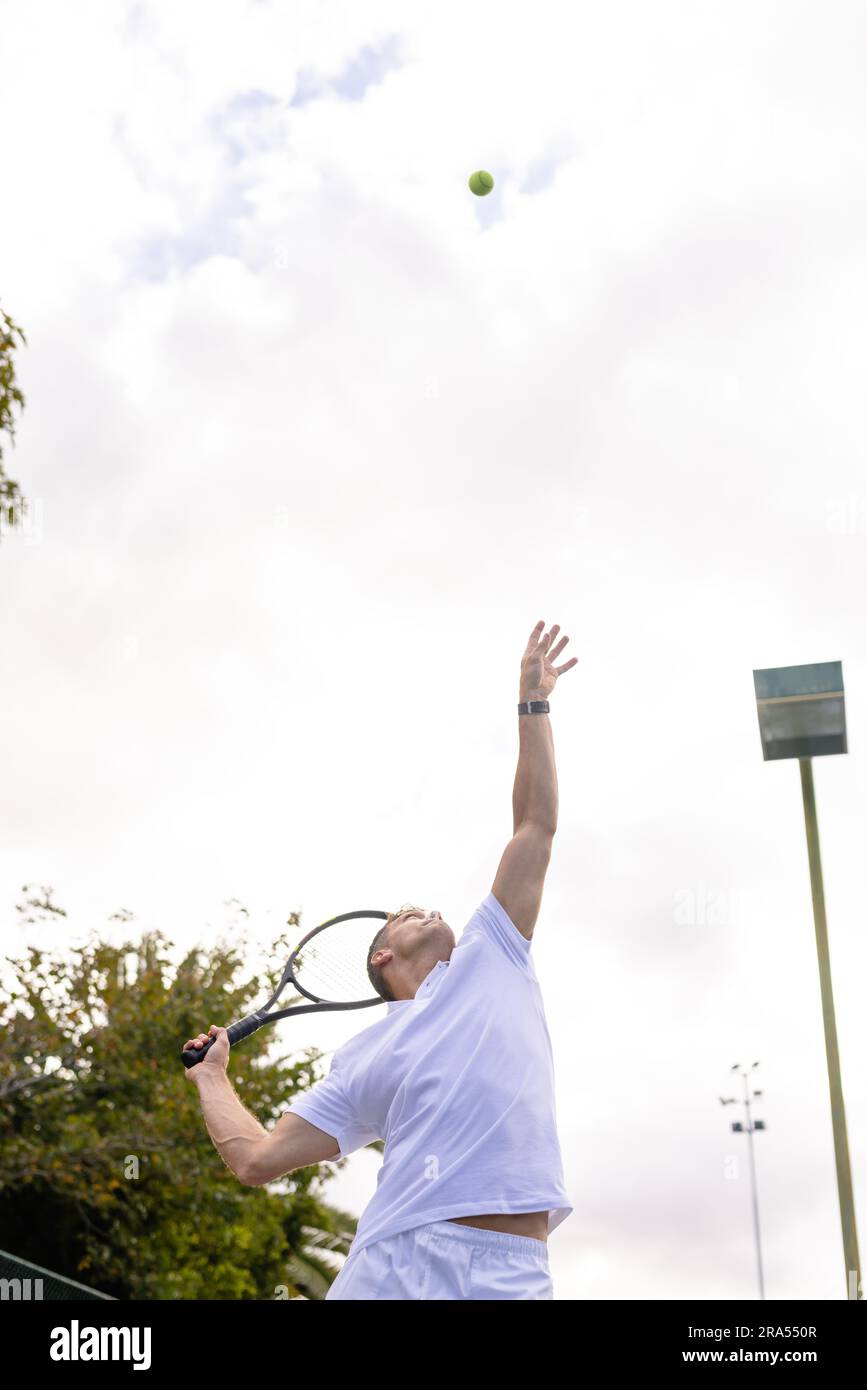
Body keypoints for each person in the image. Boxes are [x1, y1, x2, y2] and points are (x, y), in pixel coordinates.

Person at [185, 619, 578, 1300]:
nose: (424, 906)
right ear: (383, 952)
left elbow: (534, 824)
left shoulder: (495, 954)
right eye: (404, 912)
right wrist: (211, 1079)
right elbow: (255, 1161)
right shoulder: (361, 1059)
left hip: (507, 1273)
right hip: (391, 1264)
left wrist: (532, 703)